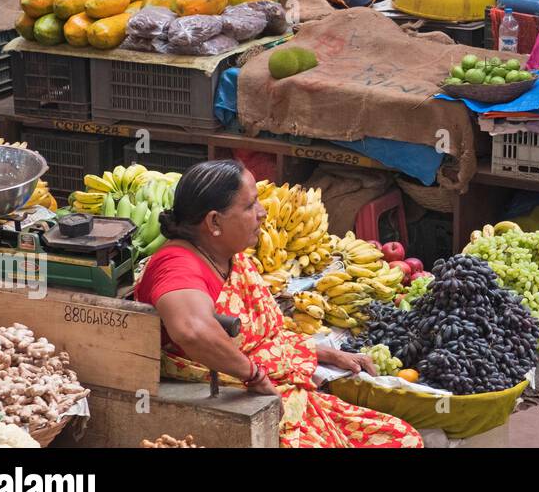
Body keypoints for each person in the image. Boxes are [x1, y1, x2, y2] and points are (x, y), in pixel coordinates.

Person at [135, 160, 422, 448]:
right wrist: (255, 376)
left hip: (280, 391)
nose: (262, 213)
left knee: (401, 437)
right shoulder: (176, 265)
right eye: (250, 206)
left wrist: (326, 354)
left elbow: (263, 338)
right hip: (240, 400)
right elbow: (193, 330)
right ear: (214, 222)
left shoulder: (229, 256)